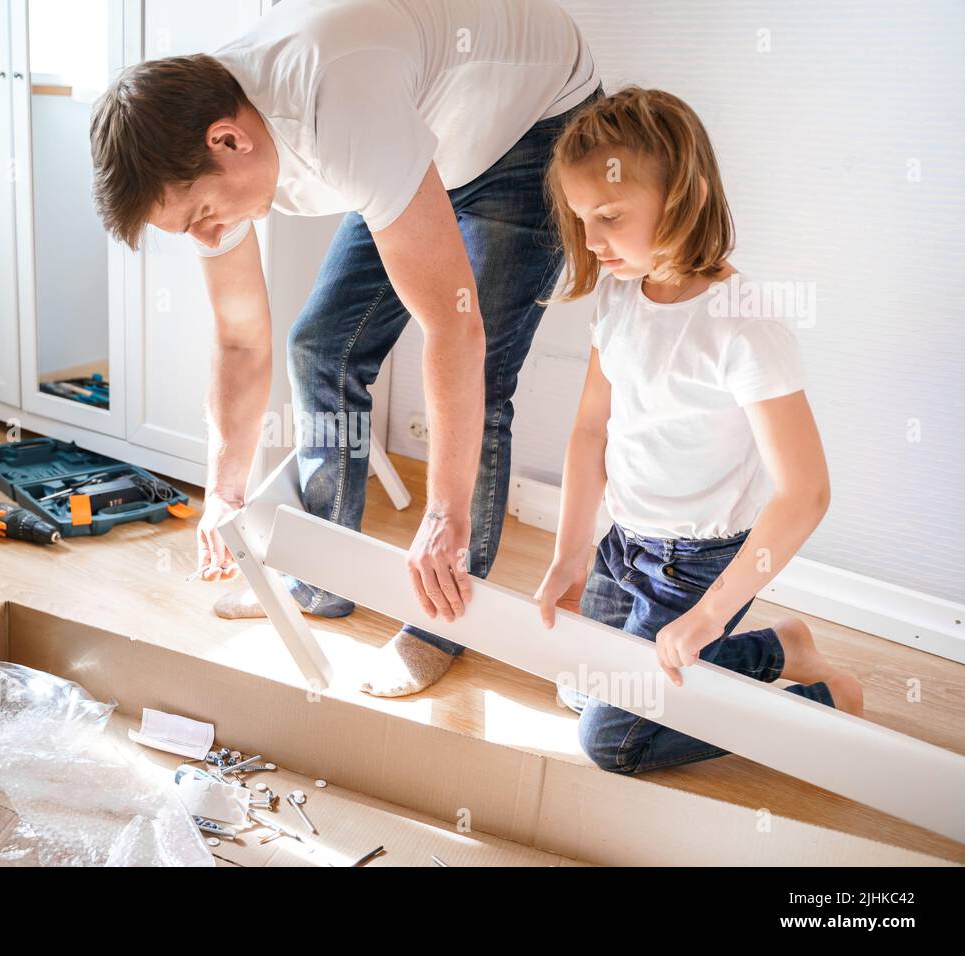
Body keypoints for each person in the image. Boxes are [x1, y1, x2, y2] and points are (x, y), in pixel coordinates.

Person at [89, 0, 600, 696]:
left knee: (485, 368)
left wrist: (445, 512)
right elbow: (240, 340)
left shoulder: (338, 107)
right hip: (425, 128)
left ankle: (447, 616)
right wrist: (223, 491)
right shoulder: (216, 135)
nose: (208, 239)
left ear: (229, 140)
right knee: (320, 345)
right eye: (187, 229)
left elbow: (455, 327)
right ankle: (320, 577)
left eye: (204, 216)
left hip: (530, 124)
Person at [533, 87, 863, 773]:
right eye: (580, 218)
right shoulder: (620, 292)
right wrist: (570, 551)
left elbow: (805, 494)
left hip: (697, 565)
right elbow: (591, 429)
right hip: (624, 544)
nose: (591, 241)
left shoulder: (744, 326)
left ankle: (816, 703)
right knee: (575, 688)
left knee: (610, 742)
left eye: (611, 216)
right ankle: (774, 648)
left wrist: (710, 615)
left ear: (684, 195)